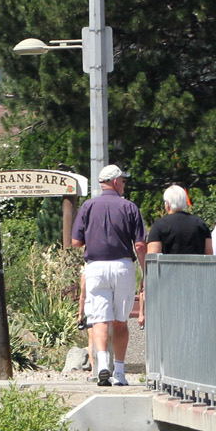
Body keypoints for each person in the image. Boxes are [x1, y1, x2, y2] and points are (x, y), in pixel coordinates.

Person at [71, 162, 147, 387]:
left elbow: (76, 241)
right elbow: (140, 244)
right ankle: (120, 373)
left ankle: (103, 364)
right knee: (121, 321)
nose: (124, 185)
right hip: (122, 265)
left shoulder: (88, 206)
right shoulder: (129, 207)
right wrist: (144, 271)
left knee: (99, 319)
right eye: (123, 181)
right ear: (115, 182)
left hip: (95, 267)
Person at [145, 185, 212, 257]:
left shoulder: (159, 225)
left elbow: (153, 255)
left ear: (167, 204)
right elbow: (209, 254)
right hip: (196, 267)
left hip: (168, 267)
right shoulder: (200, 224)